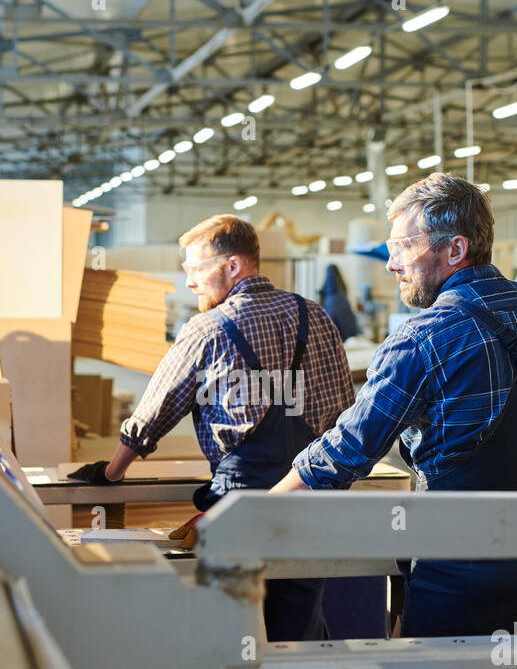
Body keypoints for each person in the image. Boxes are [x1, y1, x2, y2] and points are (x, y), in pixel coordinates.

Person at [270, 173, 517, 637]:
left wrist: (258, 512)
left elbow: (345, 452)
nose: (391, 264)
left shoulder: (424, 337)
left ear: (455, 250)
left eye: (403, 247)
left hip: (463, 575)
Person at [69, 214, 354, 641]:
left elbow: (155, 412)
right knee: (298, 624)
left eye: (197, 269)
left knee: (233, 621)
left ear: (234, 266)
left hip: (239, 503)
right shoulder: (313, 316)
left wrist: (112, 472)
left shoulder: (207, 330)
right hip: (309, 499)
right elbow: (344, 414)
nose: (190, 282)